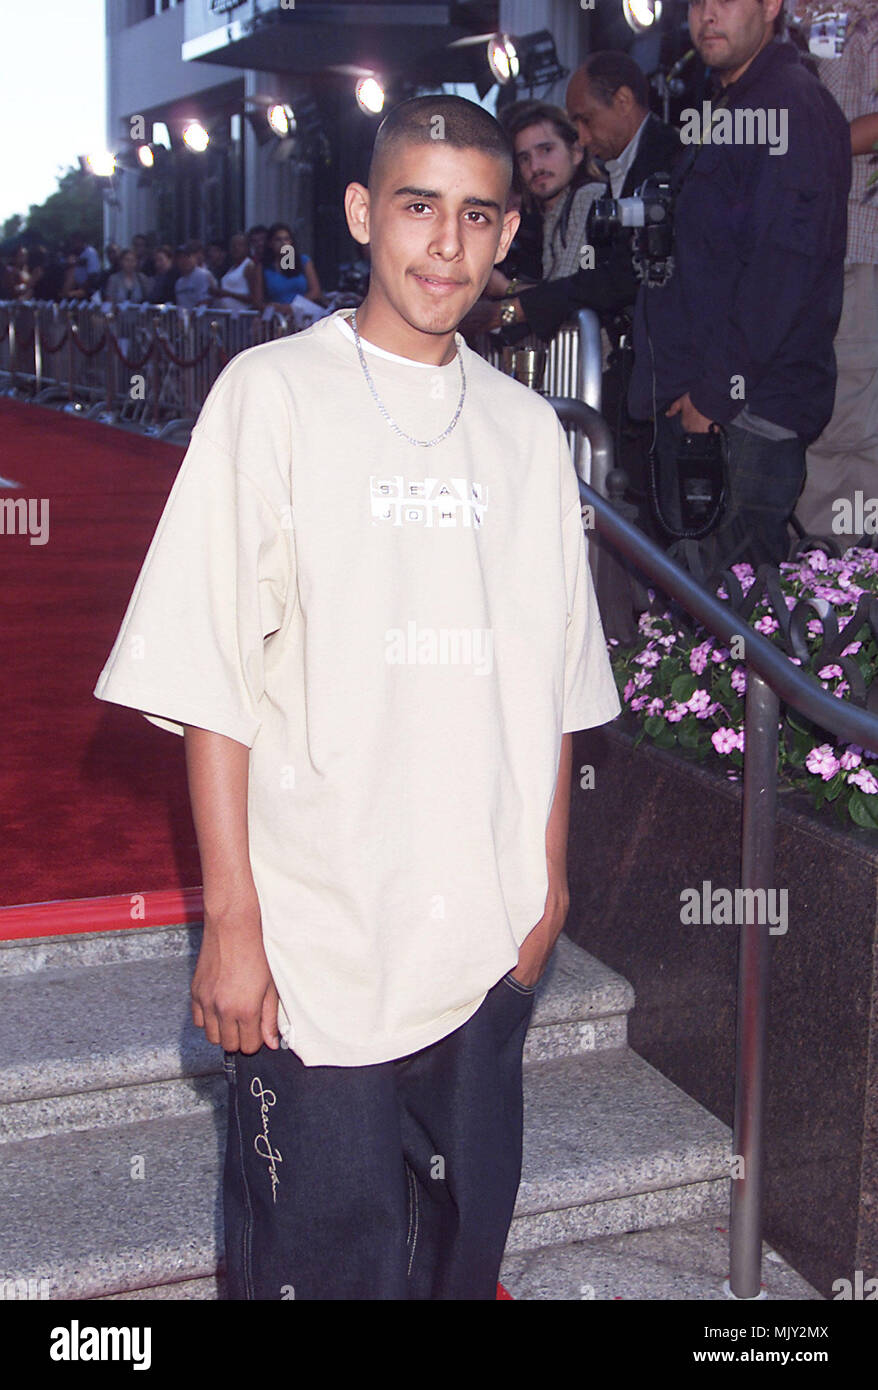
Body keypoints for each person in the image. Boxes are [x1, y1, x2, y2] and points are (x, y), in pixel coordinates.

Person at [92, 92, 620, 1301]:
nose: (445, 244)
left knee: (454, 1254)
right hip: (316, 937)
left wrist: (546, 884)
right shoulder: (269, 395)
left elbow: (549, 679)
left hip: (482, 932)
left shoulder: (528, 433)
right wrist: (232, 923)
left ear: (506, 238)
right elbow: (207, 670)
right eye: (417, 205)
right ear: (359, 214)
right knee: (323, 1268)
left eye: (477, 215)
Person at [627, 0, 851, 571]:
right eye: (697, 1)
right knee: (704, 623)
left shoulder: (791, 104)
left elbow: (785, 268)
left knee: (734, 621)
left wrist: (715, 396)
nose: (707, 14)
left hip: (747, 411)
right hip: (719, 403)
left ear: (771, 5)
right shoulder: (737, 102)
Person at [472, 53, 681, 340]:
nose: (582, 136)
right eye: (523, 158)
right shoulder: (617, 174)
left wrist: (506, 304)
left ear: (622, 101)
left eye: (586, 119)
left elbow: (615, 279)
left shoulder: (670, 162)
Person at [794, 6, 878, 541]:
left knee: (844, 430)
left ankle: (843, 595)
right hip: (804, 253)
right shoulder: (791, 19)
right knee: (813, 422)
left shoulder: (868, 21)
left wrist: (795, 154)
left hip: (855, 247)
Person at [256, 221, 324, 316]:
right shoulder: (263, 267)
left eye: (286, 239)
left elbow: (316, 291)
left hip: (303, 314)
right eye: (278, 240)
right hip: (277, 318)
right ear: (270, 243)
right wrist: (273, 307)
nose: (283, 243)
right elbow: (258, 301)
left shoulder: (303, 261)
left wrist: (293, 306)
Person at [210, 231, 258, 315]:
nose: (236, 248)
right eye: (233, 245)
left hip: (244, 316)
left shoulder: (249, 266)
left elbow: (254, 298)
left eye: (240, 245)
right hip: (229, 317)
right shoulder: (231, 268)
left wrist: (228, 294)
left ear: (247, 248)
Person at [172, 243, 215, 310]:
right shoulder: (179, 283)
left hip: (206, 319)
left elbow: (206, 301)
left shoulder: (203, 275)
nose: (184, 260)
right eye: (180, 257)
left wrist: (190, 318)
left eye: (187, 256)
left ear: (195, 257)